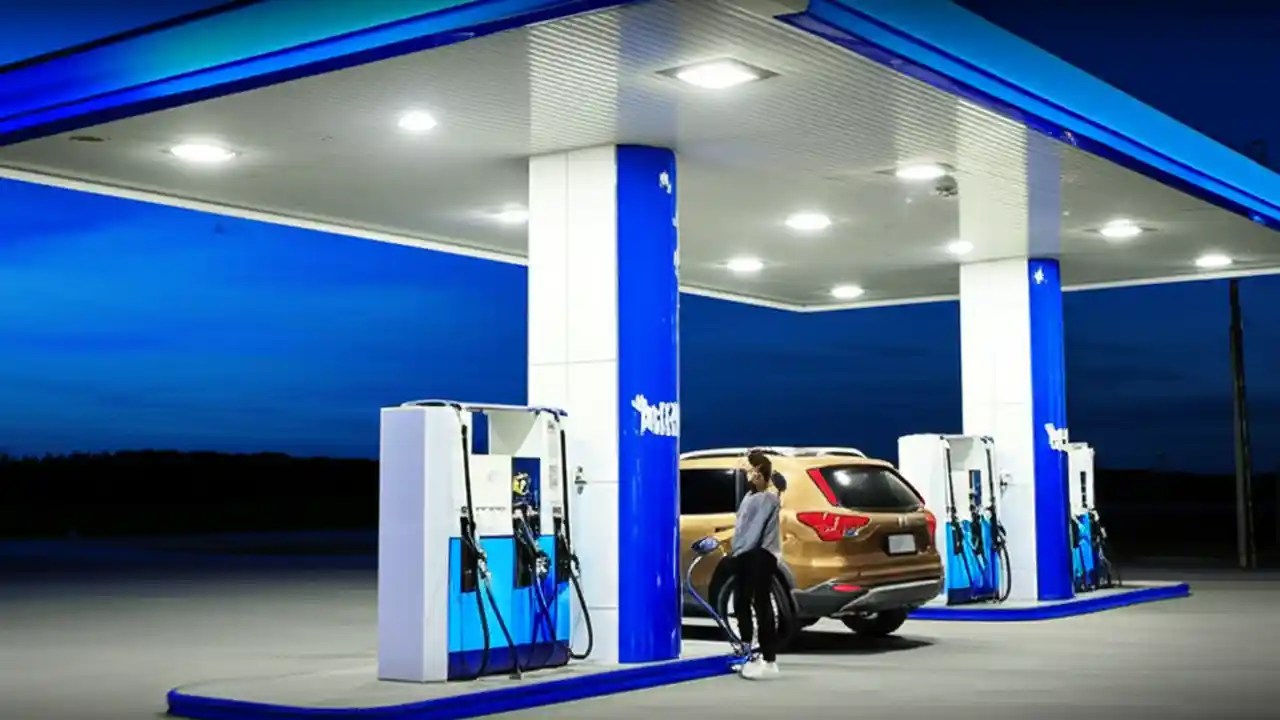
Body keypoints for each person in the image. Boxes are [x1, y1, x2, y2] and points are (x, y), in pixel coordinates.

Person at [731, 450, 782, 680]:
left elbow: (754, 531)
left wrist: (740, 549)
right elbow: (741, 528)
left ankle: (769, 660)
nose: (746, 474)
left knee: (761, 604)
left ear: (760, 473)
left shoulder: (769, 498)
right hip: (745, 554)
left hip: (760, 555)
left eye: (750, 470)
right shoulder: (749, 497)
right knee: (741, 601)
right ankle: (747, 651)